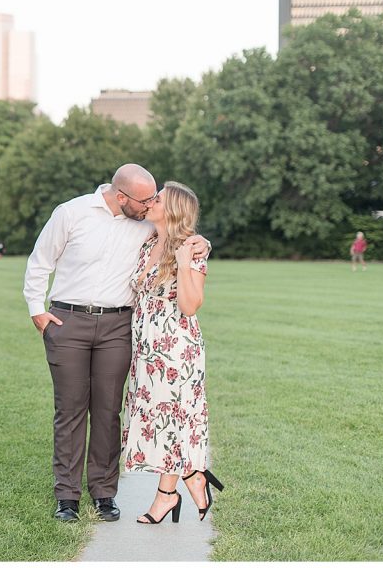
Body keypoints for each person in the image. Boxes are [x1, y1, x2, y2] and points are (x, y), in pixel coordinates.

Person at [23, 164, 208, 523]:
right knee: (70, 411)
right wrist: (37, 310)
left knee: (108, 412)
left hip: (119, 328)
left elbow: (182, 235)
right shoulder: (71, 213)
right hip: (68, 320)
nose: (149, 204)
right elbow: (40, 261)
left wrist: (203, 243)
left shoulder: (143, 225)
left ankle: (105, 494)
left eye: (155, 199)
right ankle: (67, 497)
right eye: (145, 199)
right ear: (121, 196)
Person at [121, 181, 224, 525]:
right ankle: (178, 486)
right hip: (147, 350)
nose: (150, 202)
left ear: (174, 209)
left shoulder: (191, 248)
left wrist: (183, 261)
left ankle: (180, 486)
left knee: (174, 419)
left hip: (176, 350)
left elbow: (191, 305)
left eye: (158, 199)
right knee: (162, 420)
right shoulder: (147, 239)